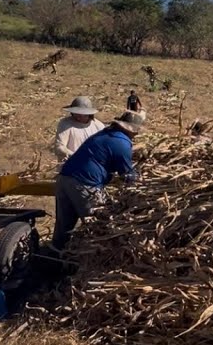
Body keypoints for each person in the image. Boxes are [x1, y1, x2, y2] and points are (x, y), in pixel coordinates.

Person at [51, 110, 145, 253]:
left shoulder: (104, 133)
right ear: (133, 130)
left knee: (64, 225)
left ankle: (54, 256)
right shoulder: (122, 143)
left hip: (65, 178)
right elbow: (128, 177)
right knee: (97, 224)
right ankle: (89, 261)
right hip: (85, 184)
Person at [53, 96, 106, 160]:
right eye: (77, 114)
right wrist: (75, 156)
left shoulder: (99, 127)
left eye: (83, 115)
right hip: (70, 165)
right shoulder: (66, 124)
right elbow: (60, 147)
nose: (79, 118)